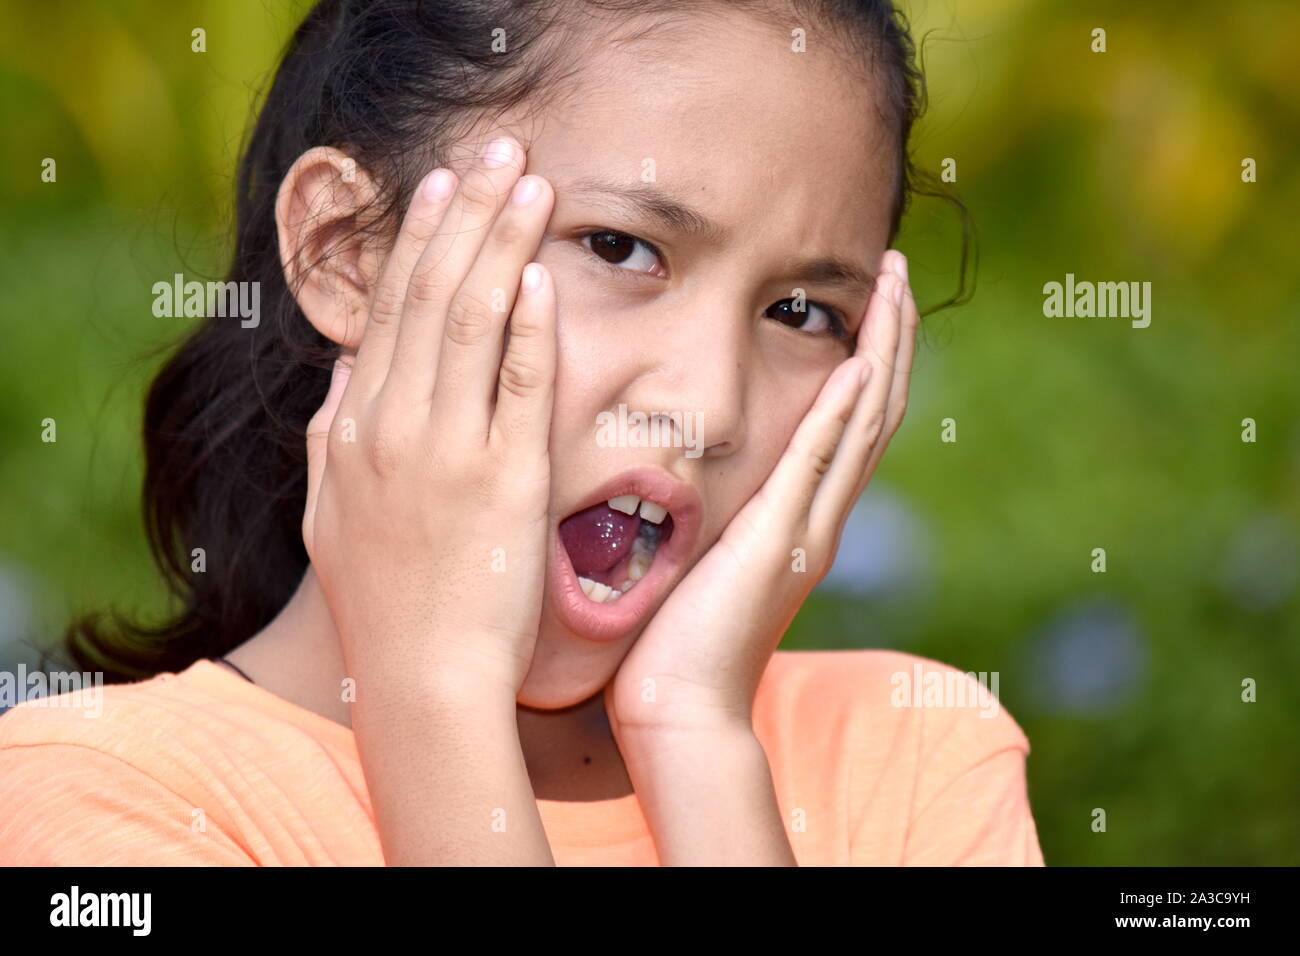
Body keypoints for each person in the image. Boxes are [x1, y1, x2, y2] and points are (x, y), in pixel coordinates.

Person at [0, 0, 1042, 865]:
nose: (711, 404)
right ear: (343, 253)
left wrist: (695, 736)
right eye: (621, 246)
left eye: (802, 313)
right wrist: (431, 695)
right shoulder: (98, 800)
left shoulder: (914, 763)